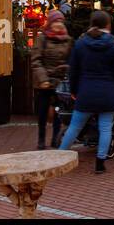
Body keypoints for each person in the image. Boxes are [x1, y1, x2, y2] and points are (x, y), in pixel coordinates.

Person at [59, 11, 114, 175]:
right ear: (108, 25)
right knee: (105, 128)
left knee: (75, 127)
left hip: (86, 91)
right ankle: (100, 162)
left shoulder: (81, 44)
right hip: (108, 91)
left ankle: (59, 157)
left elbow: (74, 70)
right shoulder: (113, 45)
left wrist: (74, 90)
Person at [30, 9, 72, 149]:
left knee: (59, 112)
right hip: (44, 82)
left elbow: (71, 58)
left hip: (60, 81)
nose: (58, 24)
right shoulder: (42, 38)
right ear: (50, 23)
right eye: (56, 21)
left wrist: (67, 68)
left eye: (60, 21)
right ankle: (41, 139)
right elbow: (36, 60)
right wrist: (43, 79)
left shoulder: (67, 39)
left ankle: (55, 138)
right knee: (42, 111)